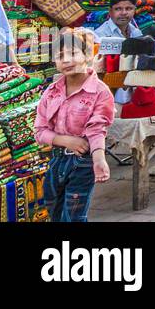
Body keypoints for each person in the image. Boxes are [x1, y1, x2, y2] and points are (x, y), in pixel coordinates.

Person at [33, 28, 114, 222]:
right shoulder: (51, 92)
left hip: (82, 163)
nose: (66, 60)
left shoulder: (100, 92)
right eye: (60, 56)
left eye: (72, 54)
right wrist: (65, 140)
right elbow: (39, 131)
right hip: (56, 161)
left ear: (87, 55)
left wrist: (99, 159)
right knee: (54, 213)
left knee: (73, 215)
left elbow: (97, 129)